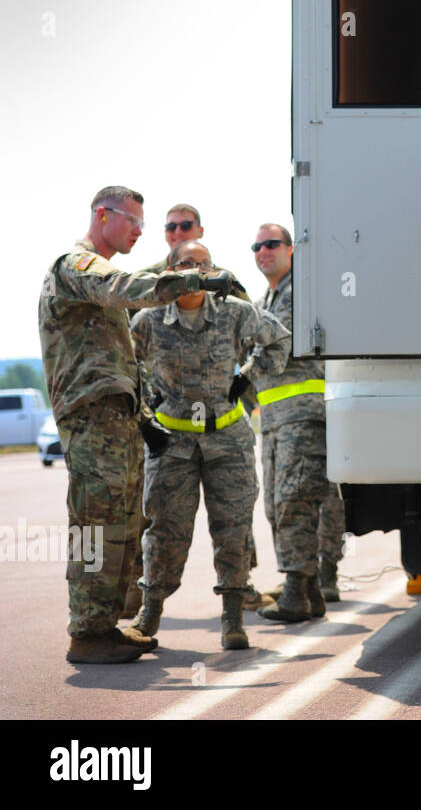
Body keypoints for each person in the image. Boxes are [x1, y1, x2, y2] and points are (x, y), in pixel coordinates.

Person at [38, 186, 239, 664]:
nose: (139, 232)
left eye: (143, 224)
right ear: (102, 215)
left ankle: (105, 625)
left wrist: (144, 418)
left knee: (124, 523)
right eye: (132, 221)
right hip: (93, 417)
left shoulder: (99, 273)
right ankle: (87, 632)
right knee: (95, 524)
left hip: (118, 419)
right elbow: (126, 287)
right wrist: (197, 281)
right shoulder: (76, 265)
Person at [130, 241, 290, 649]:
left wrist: (248, 375)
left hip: (228, 441)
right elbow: (124, 365)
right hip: (172, 443)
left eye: (204, 265)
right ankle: (149, 612)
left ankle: (233, 618)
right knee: (165, 531)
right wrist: (145, 411)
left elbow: (278, 339)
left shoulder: (234, 312)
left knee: (233, 529)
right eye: (187, 263)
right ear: (170, 272)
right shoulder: (148, 319)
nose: (196, 272)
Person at [248, 224, 349, 621]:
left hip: (303, 416)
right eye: (257, 246)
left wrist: (242, 374)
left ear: (291, 249)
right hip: (276, 419)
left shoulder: (299, 293)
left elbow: (277, 347)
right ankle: (308, 590)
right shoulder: (265, 300)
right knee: (277, 505)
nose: (263, 251)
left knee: (295, 502)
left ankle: (298, 590)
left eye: (272, 244)